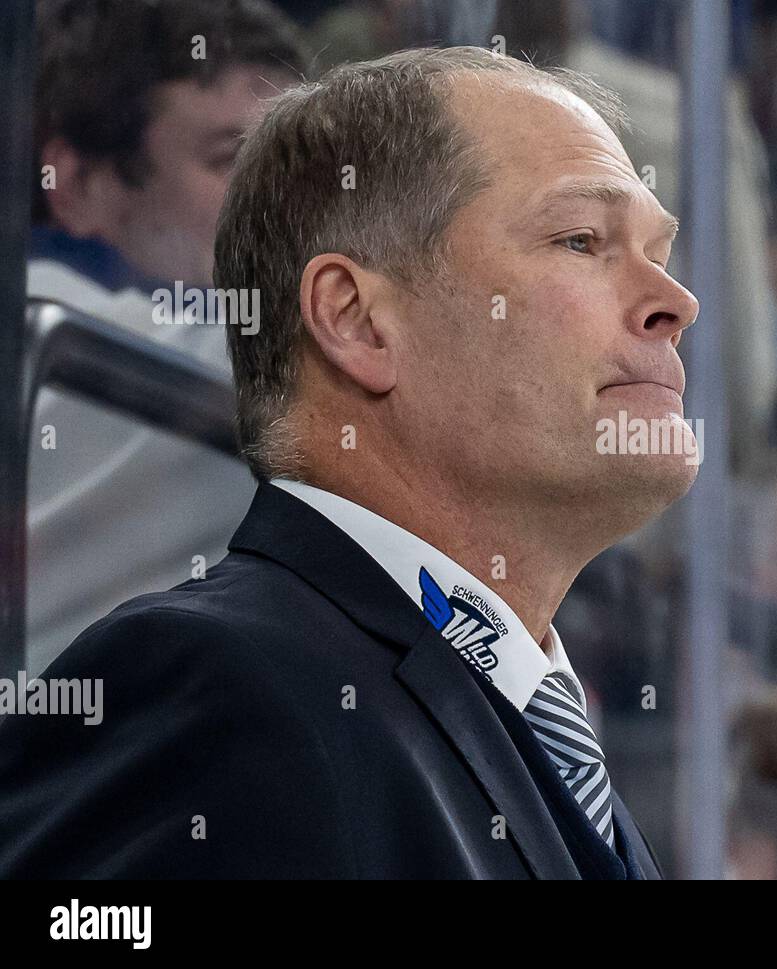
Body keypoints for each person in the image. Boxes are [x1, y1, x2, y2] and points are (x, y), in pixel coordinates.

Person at [0, 45, 699, 879]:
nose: (675, 302)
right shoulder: (221, 689)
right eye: (582, 239)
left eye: (658, 251)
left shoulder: (558, 754)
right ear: (357, 320)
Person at [25, 0, 305, 674]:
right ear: (80, 184)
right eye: (236, 160)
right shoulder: (52, 332)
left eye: (307, 167)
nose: (298, 205)